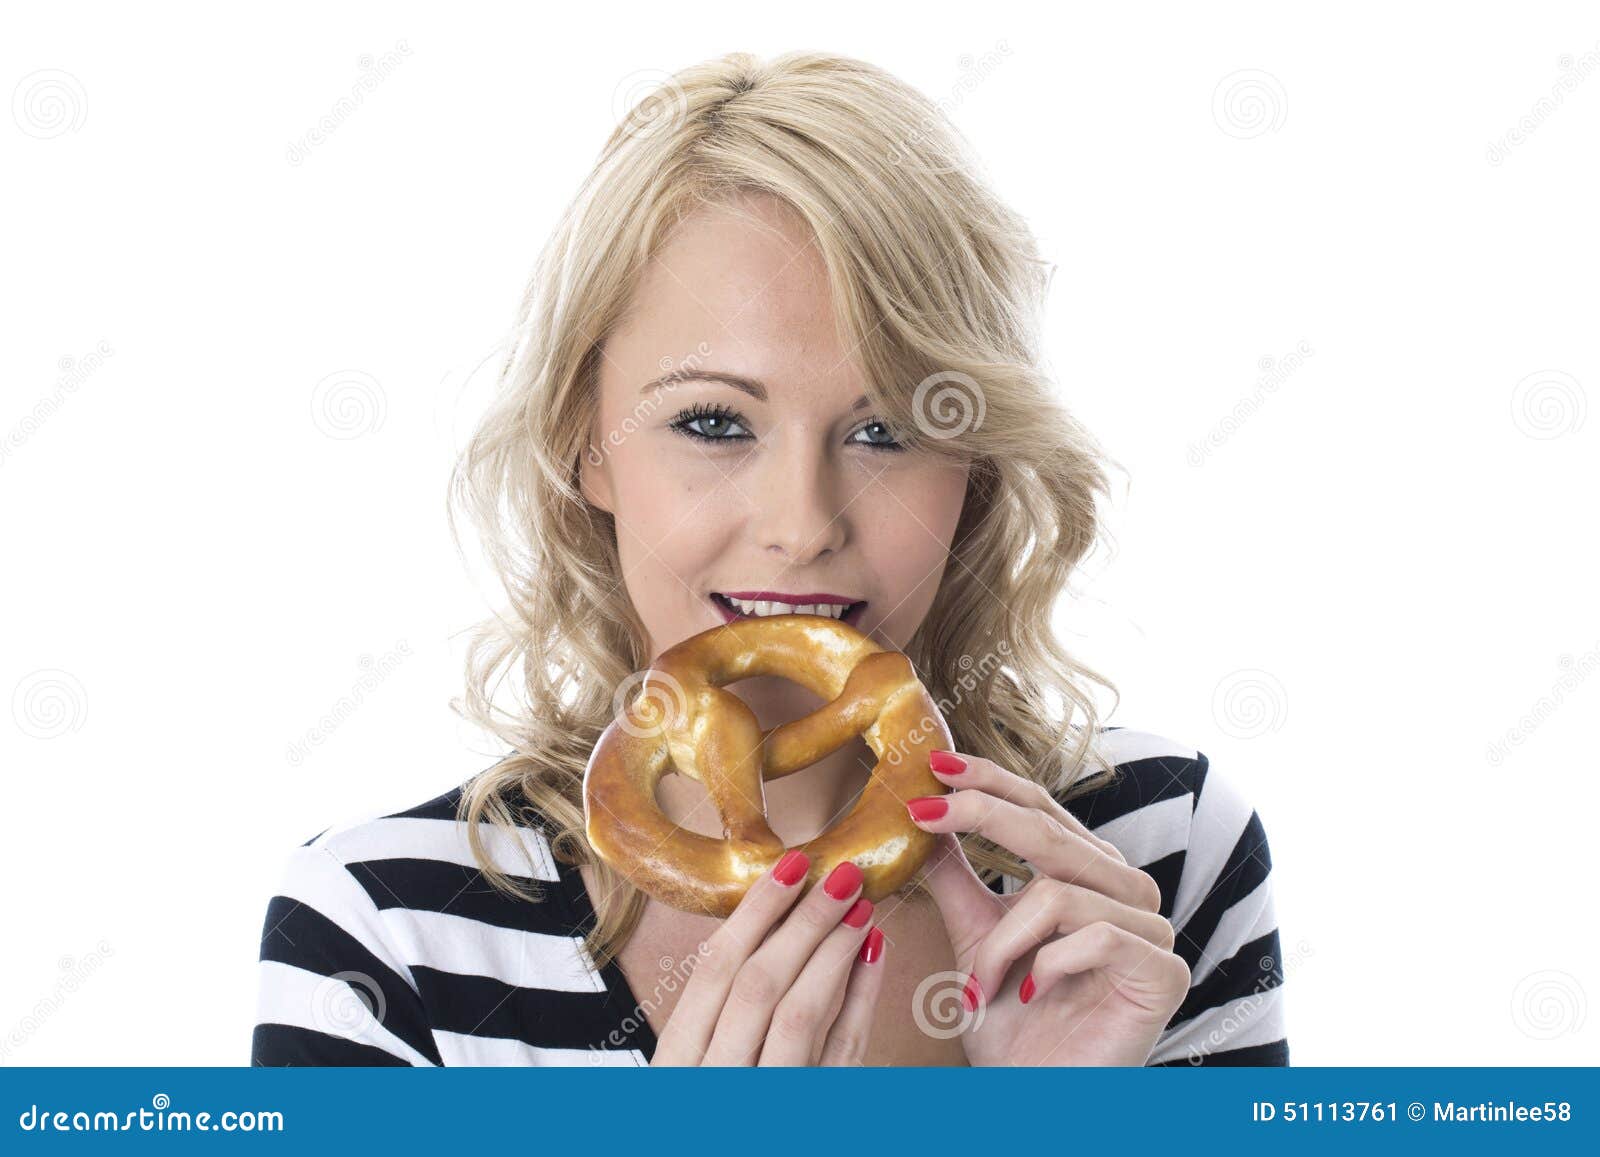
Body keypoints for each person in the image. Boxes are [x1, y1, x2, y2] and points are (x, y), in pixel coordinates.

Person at [252, 49, 1289, 1067]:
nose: (803, 524)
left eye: (885, 430)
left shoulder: (1154, 853)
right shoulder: (386, 930)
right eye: (712, 422)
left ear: (973, 462)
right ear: (586, 444)